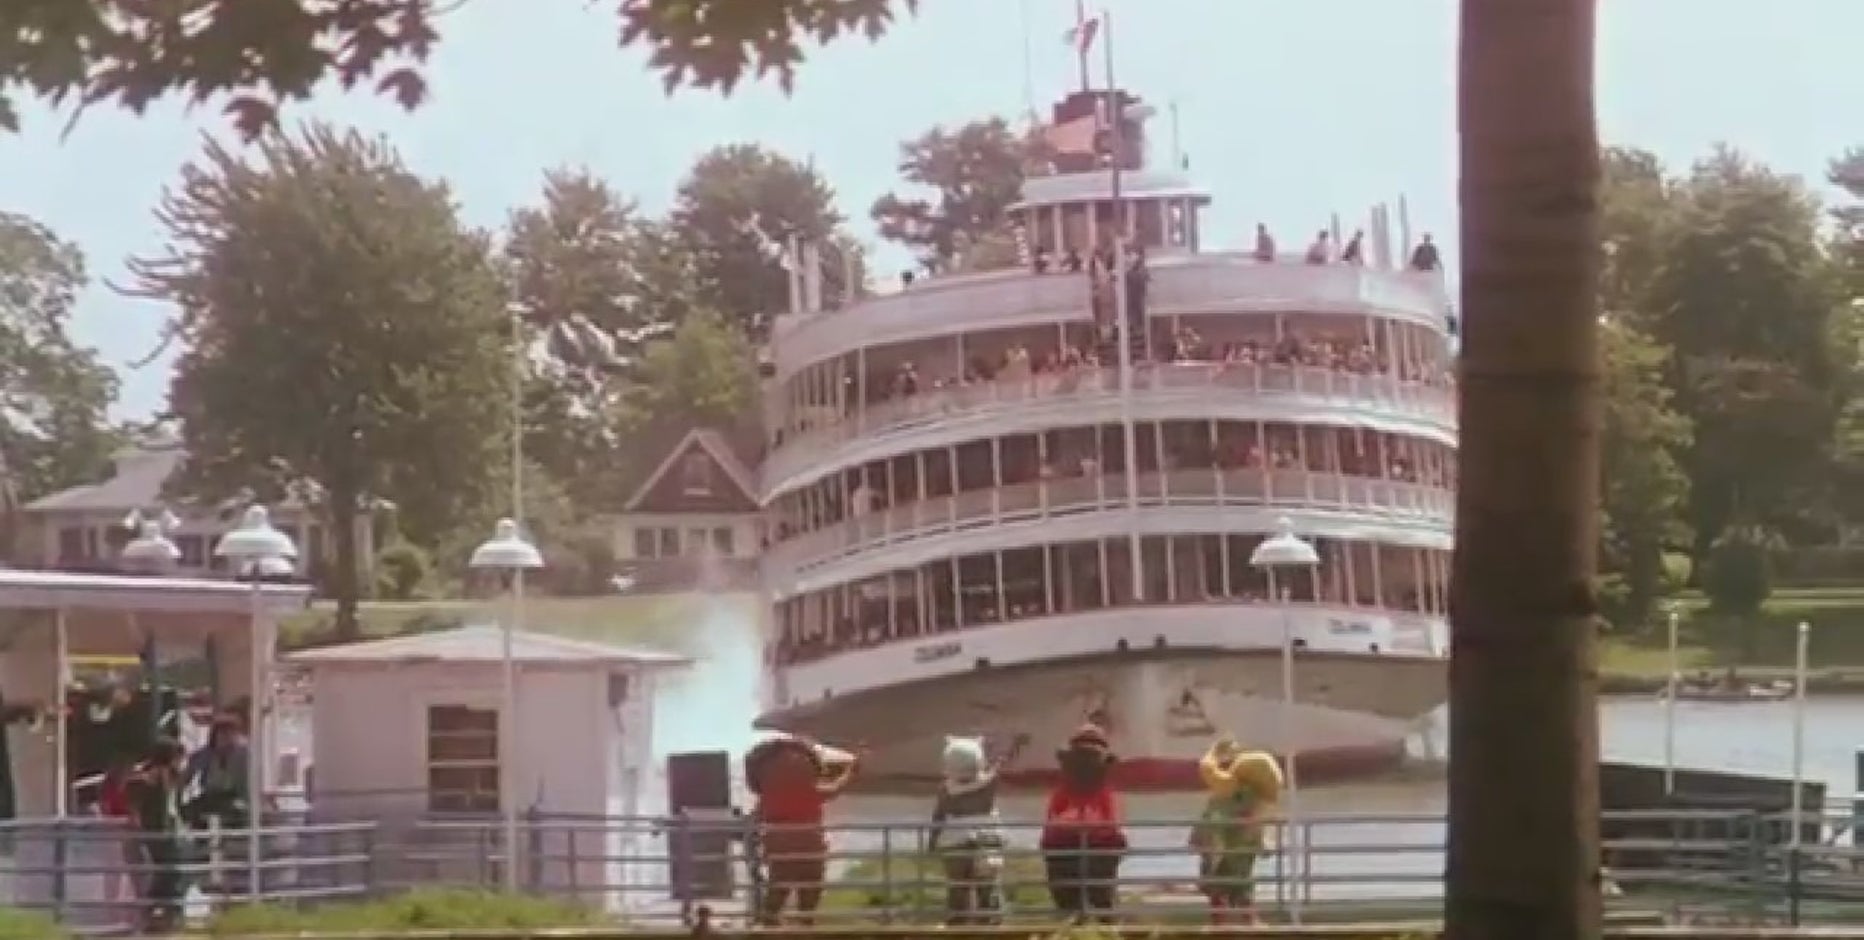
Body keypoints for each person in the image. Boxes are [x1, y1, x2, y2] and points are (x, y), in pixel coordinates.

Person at [744, 735, 859, 925]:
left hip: (787, 852)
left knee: (780, 897)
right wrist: (851, 772)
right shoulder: (806, 792)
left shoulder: (770, 799)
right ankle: (791, 927)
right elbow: (836, 787)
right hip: (808, 851)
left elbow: (753, 824)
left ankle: (774, 927)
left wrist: (753, 854)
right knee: (801, 900)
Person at [928, 734, 1025, 924]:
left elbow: (938, 817)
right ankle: (989, 928)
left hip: (955, 843)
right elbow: (1004, 764)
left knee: (957, 891)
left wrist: (932, 842)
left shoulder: (946, 789)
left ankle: (957, 928)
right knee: (988, 890)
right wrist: (1016, 745)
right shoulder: (987, 784)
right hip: (987, 840)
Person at [1190, 736, 1284, 924]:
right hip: (1237, 848)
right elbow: (1256, 824)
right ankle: (1246, 924)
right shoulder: (1255, 798)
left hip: (1225, 847)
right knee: (1238, 887)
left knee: (1222, 889)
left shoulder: (1231, 791)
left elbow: (1206, 770)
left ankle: (1226, 926)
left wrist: (1216, 750)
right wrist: (1263, 842)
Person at [1039, 724, 1126, 923]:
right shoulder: (1104, 793)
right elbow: (1113, 829)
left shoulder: (1063, 792)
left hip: (1065, 850)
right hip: (1094, 850)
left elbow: (1051, 830)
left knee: (1070, 906)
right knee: (1102, 903)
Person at [127, 737, 187, 931]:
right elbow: (136, 788)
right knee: (170, 871)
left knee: (170, 871)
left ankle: (160, 912)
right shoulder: (155, 775)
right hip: (160, 830)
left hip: (168, 828)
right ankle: (162, 911)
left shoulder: (170, 775)